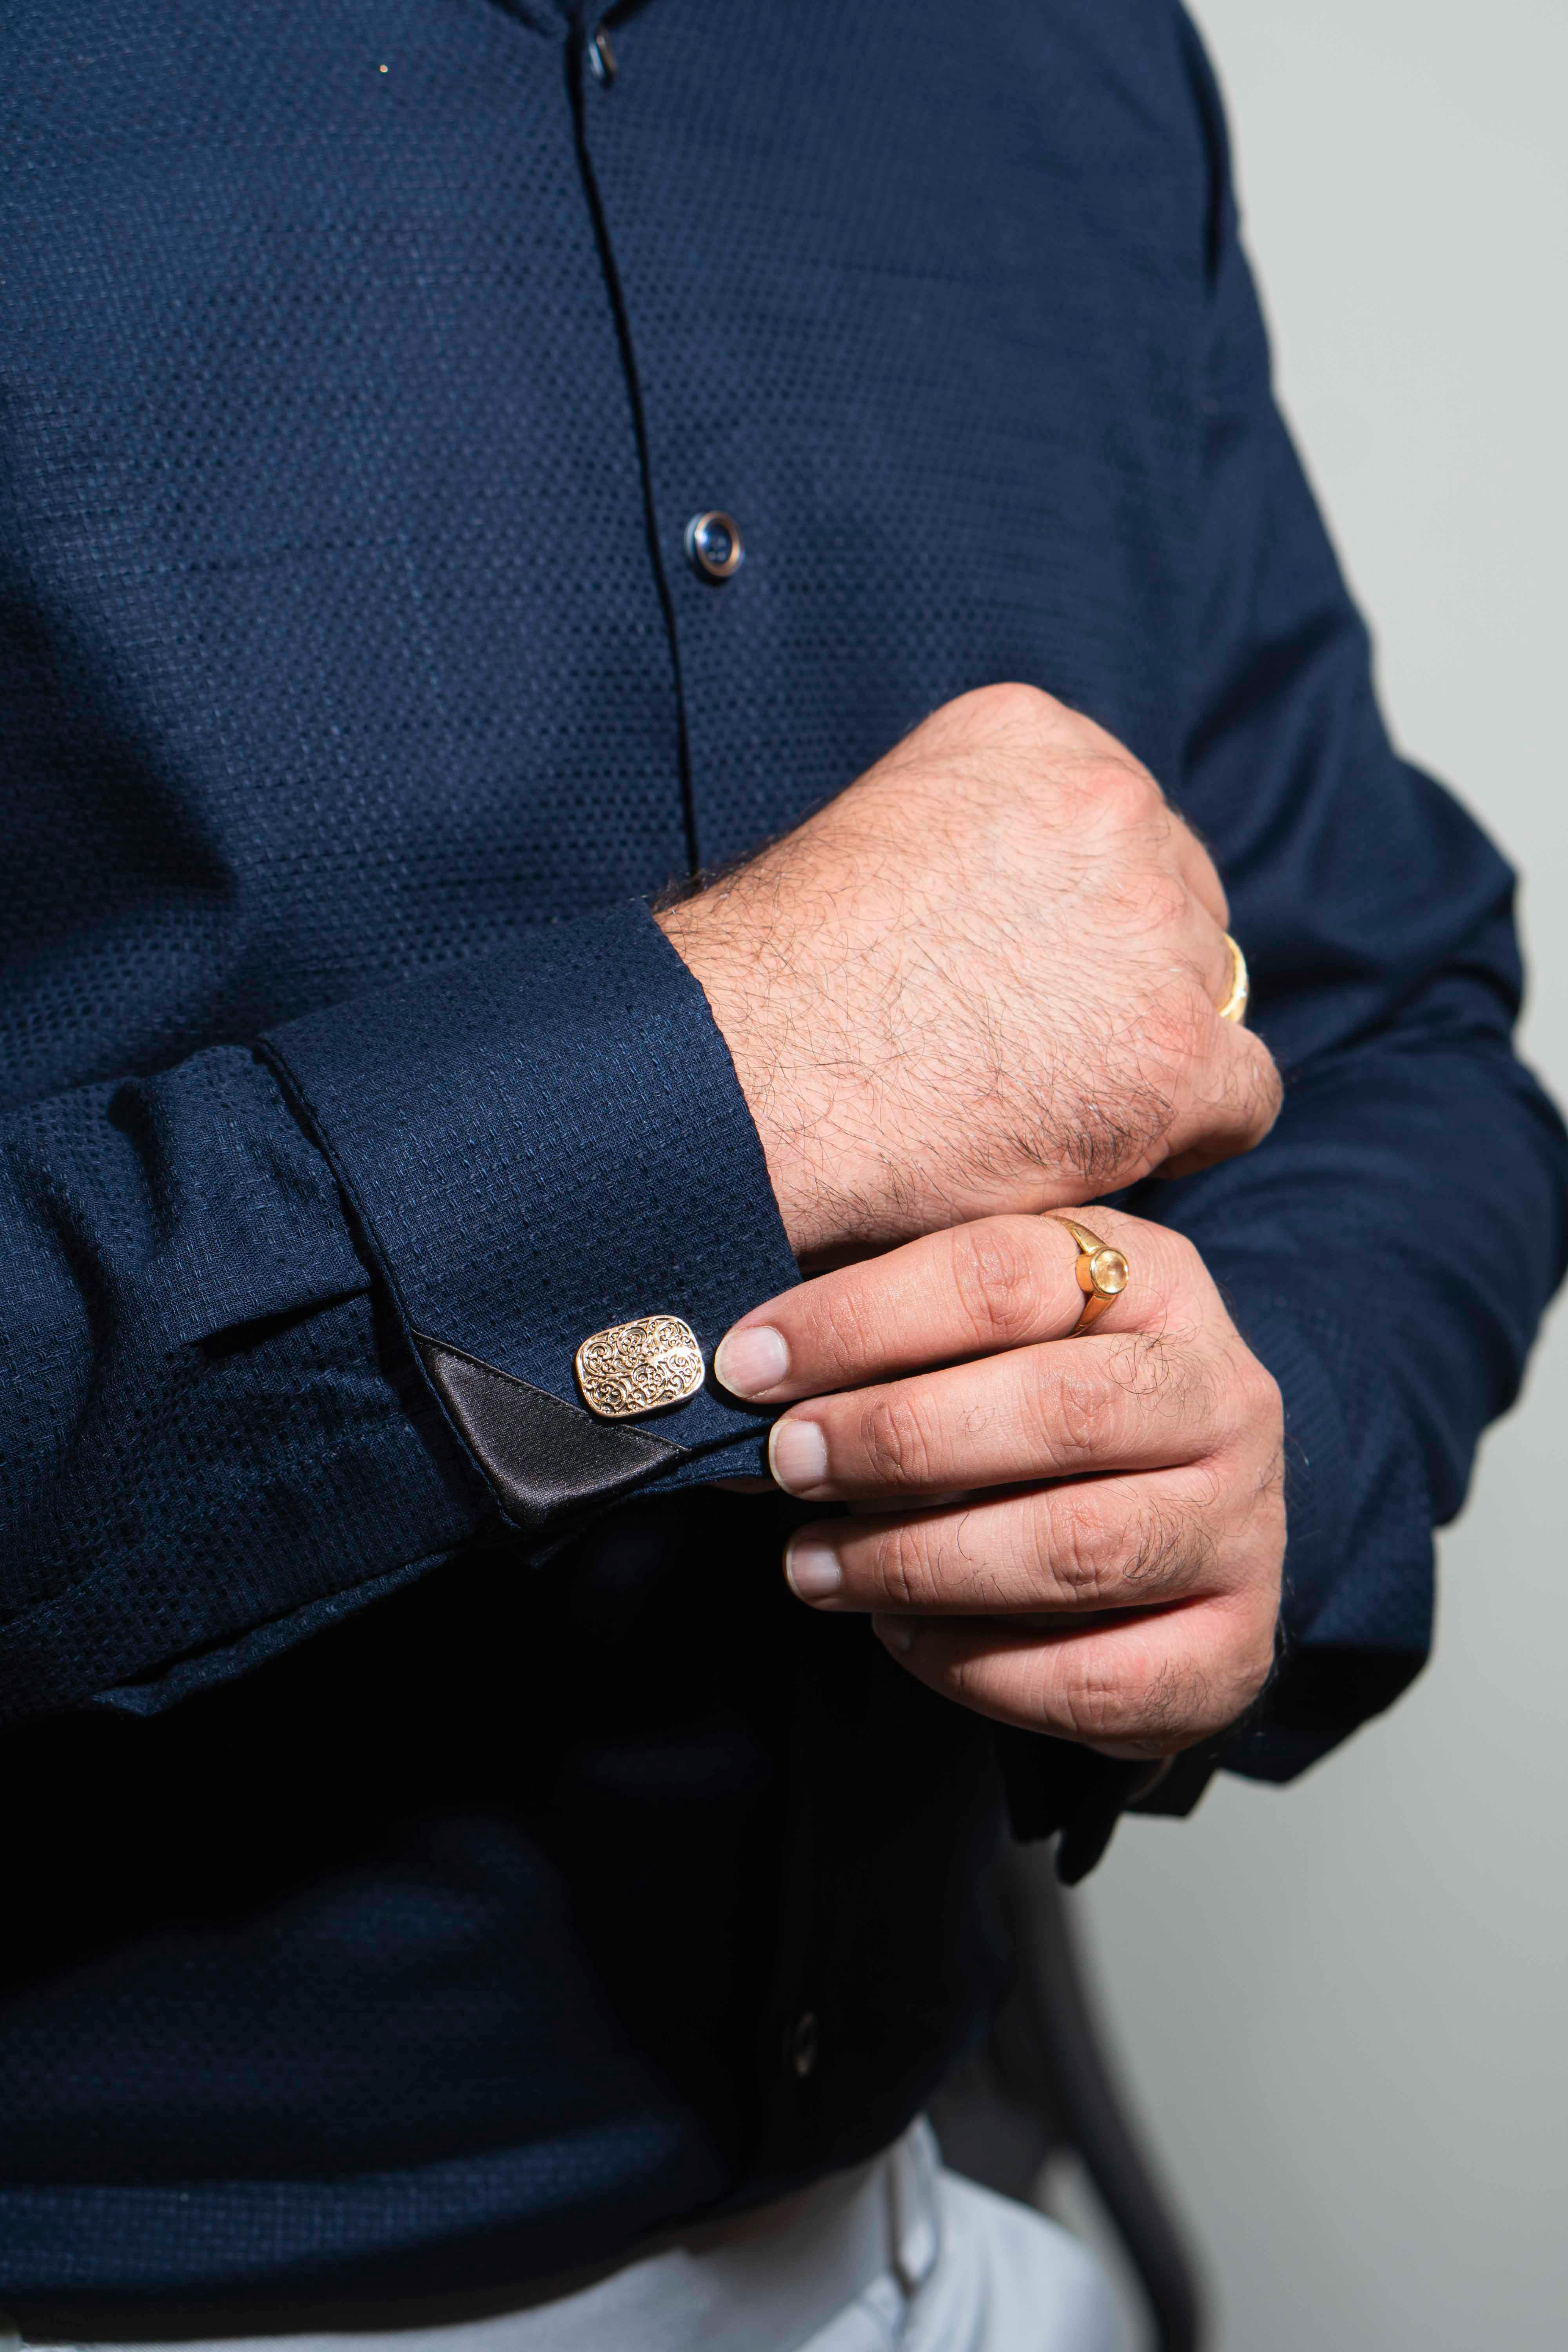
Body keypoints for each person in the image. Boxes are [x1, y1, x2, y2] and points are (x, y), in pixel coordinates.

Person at [1, 2, 1562, 2346]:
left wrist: (1274, 1432)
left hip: (944, 2235)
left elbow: (1386, 1006)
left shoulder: (1069, 61)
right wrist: (725, 1080)